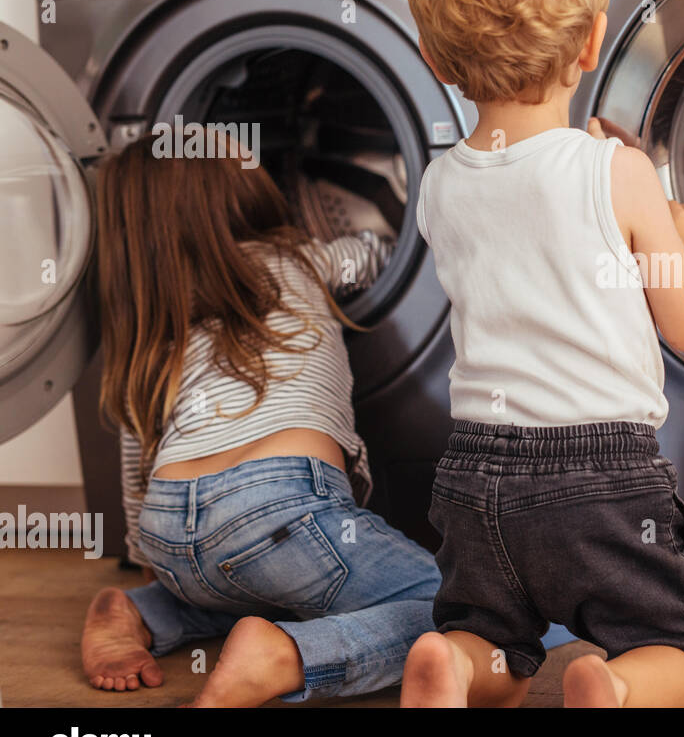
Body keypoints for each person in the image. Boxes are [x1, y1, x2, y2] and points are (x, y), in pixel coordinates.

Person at [78, 136, 569, 705]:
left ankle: (142, 611)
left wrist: (152, 567)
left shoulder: (154, 322)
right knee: (488, 614)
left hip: (170, 533)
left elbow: (138, 450)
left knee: (263, 581)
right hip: (279, 509)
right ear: (240, 194)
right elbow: (382, 247)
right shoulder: (301, 257)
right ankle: (288, 657)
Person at [400, 0, 684, 708]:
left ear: (436, 60)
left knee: (502, 656)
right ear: (591, 43)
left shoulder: (441, 184)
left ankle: (458, 662)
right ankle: (616, 684)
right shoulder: (615, 171)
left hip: (475, 476)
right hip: (602, 478)